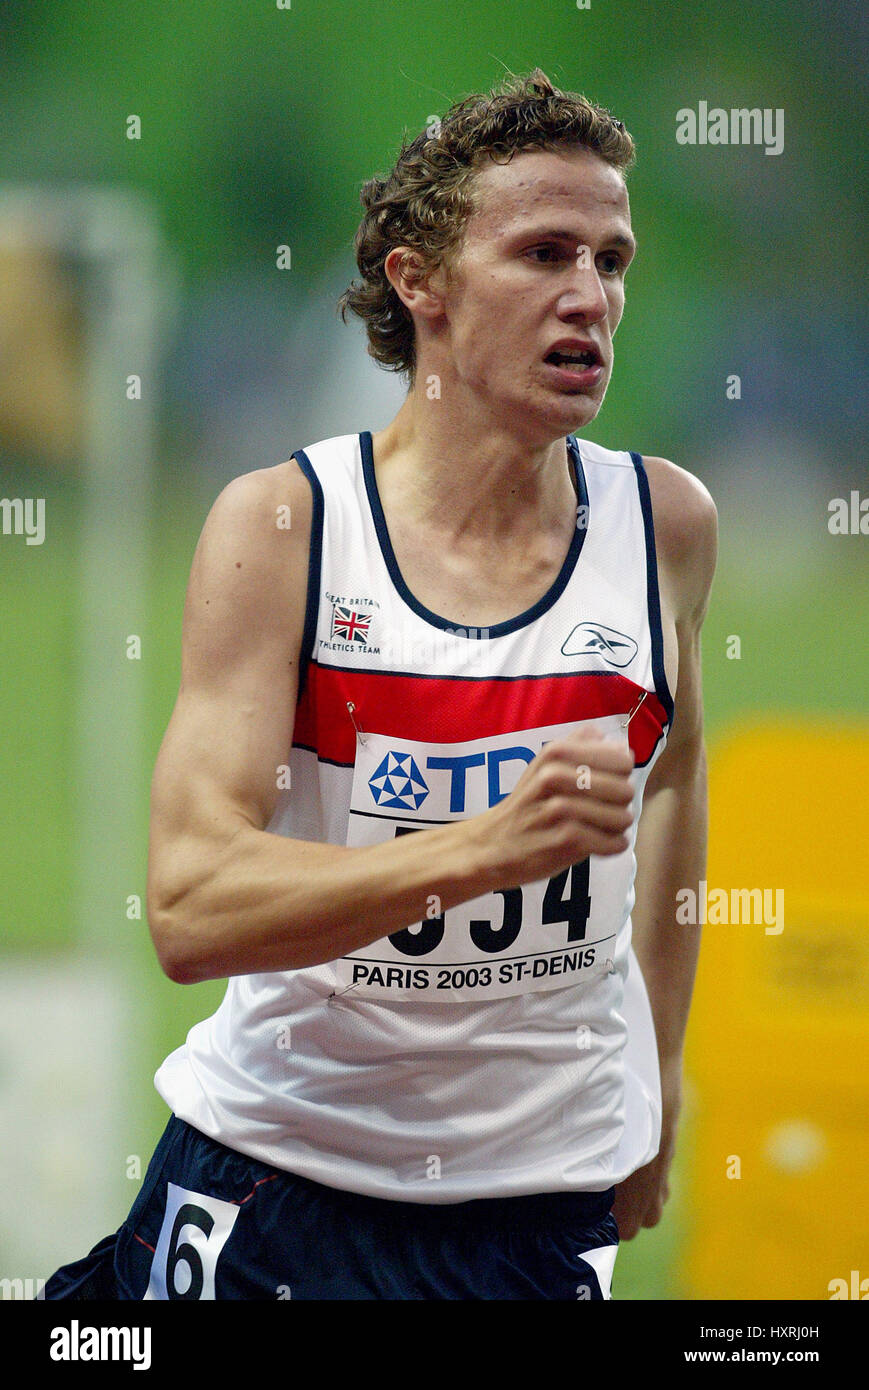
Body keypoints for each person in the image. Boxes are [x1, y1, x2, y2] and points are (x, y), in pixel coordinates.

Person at [43, 67, 717, 1301]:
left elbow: (669, 784)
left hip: (533, 1214)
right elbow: (190, 907)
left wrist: (660, 1076)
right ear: (421, 284)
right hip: (277, 1185)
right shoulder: (287, 527)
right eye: (543, 253)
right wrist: (476, 852)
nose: (589, 298)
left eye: (611, 261)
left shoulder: (661, 522)